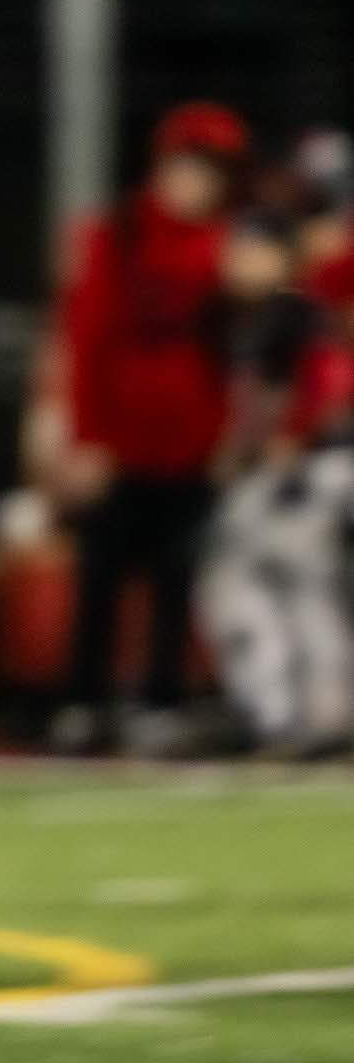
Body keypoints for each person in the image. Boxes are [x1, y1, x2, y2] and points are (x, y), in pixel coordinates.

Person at [49, 102, 242, 756]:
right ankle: (83, 702)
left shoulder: (230, 244)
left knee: (174, 581)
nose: (191, 183)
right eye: (183, 167)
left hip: (193, 443)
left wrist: (228, 438)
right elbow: (85, 338)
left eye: (207, 172)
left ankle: (159, 703)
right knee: (98, 575)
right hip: (121, 440)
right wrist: (85, 436)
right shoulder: (119, 234)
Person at [199, 212, 354, 757]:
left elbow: (328, 381)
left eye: (250, 249)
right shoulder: (281, 312)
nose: (236, 260)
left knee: (250, 585)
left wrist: (291, 435)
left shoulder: (287, 311)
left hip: (305, 470)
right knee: (309, 591)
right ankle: (322, 714)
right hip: (320, 466)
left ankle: (280, 714)